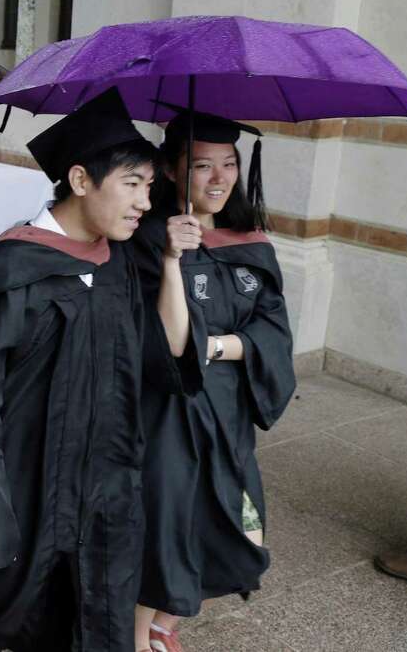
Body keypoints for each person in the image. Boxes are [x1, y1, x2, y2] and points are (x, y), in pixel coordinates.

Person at [0, 88, 203, 652]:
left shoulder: (117, 266)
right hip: (21, 491)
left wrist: (171, 263)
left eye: (150, 187)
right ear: (83, 179)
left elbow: (149, 368)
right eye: (132, 184)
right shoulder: (16, 267)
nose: (144, 201)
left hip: (98, 493)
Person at [133, 105, 294, 652]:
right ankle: (138, 632)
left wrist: (223, 346)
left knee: (227, 514)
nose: (221, 178)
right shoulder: (143, 239)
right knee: (166, 515)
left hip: (227, 409)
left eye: (229, 164)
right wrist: (173, 256)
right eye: (203, 166)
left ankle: (167, 623)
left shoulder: (249, 242)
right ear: (173, 171)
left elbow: (274, 332)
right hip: (169, 410)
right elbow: (159, 340)